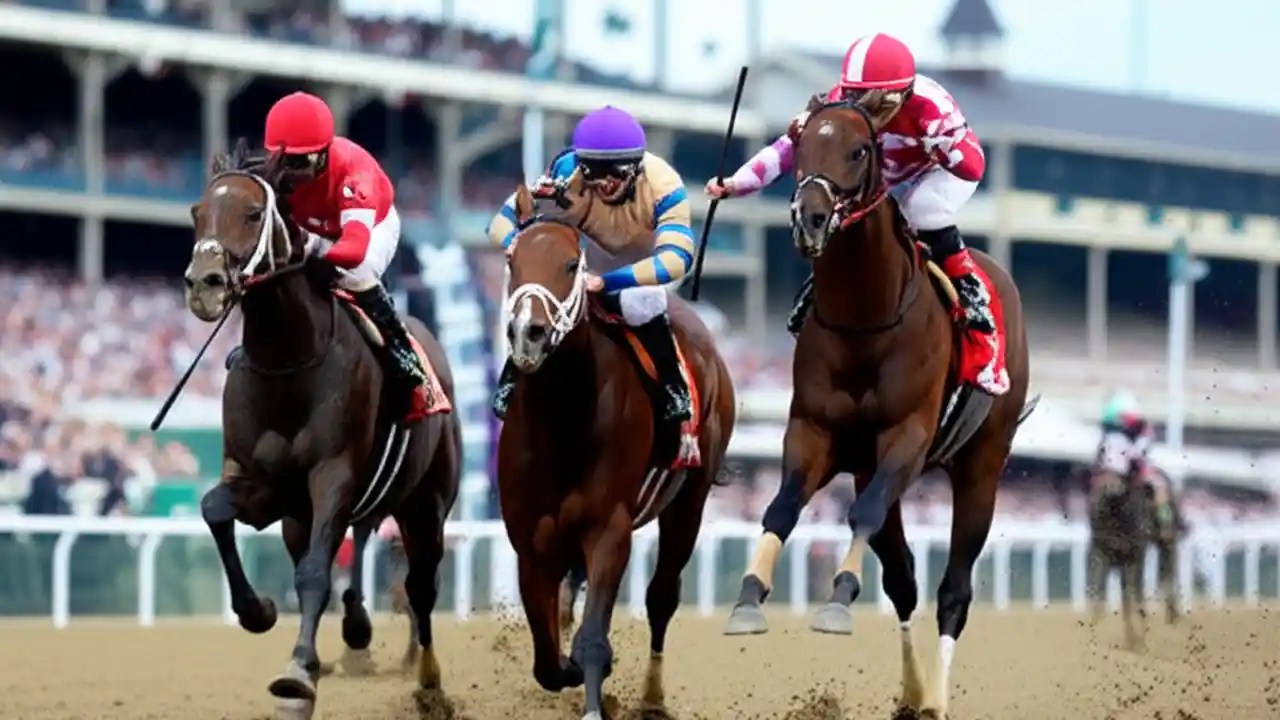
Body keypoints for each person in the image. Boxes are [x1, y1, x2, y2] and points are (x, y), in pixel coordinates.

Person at [706, 32, 1007, 396]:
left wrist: (941, 146)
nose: (860, 108)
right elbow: (786, 150)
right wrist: (735, 183)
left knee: (921, 210)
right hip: (880, 172)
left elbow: (973, 167)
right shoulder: (837, 103)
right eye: (852, 96)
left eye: (873, 102)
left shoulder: (931, 110)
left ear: (900, 96)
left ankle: (976, 312)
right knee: (839, 212)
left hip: (936, 172)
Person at [486, 105, 700, 467]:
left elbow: (677, 260)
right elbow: (499, 225)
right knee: (536, 298)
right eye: (593, 172)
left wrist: (608, 282)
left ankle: (673, 390)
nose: (604, 184)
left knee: (640, 303)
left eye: (615, 172)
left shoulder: (665, 186)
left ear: (637, 166)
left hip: (644, 263)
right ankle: (515, 370)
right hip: (583, 254)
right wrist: (522, 249)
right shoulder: (565, 174)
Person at [226, 91, 433, 423]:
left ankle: (402, 354)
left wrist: (319, 265)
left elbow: (352, 249)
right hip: (317, 229)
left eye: (299, 162)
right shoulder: (282, 171)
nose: (290, 172)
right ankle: (259, 348)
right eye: (283, 161)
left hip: (369, 226)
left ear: (322, 154)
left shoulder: (355, 173)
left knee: (355, 274)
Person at [1097, 391, 1182, 540]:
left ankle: (1166, 524)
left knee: (1159, 486)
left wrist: (1134, 455)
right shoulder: (1108, 428)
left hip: (1135, 466)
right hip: (1113, 467)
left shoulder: (1141, 430)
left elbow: (1143, 447)